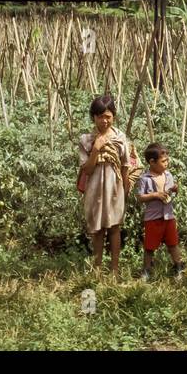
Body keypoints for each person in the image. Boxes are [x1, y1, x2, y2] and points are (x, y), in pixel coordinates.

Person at [77, 94, 136, 278]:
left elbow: (126, 165)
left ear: (114, 117)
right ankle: (97, 269)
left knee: (114, 227)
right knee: (97, 228)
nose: (104, 121)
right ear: (93, 117)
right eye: (100, 116)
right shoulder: (86, 140)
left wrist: (125, 190)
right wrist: (96, 149)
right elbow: (86, 169)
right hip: (94, 188)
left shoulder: (120, 138)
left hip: (115, 187)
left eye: (108, 117)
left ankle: (115, 270)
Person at [136, 142, 183, 281]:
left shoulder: (168, 175)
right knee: (150, 246)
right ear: (152, 162)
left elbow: (170, 193)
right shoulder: (144, 179)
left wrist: (174, 189)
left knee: (173, 243)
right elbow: (139, 197)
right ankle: (146, 270)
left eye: (167, 160)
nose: (166, 163)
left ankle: (179, 267)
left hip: (168, 216)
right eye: (163, 161)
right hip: (153, 217)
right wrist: (155, 195)